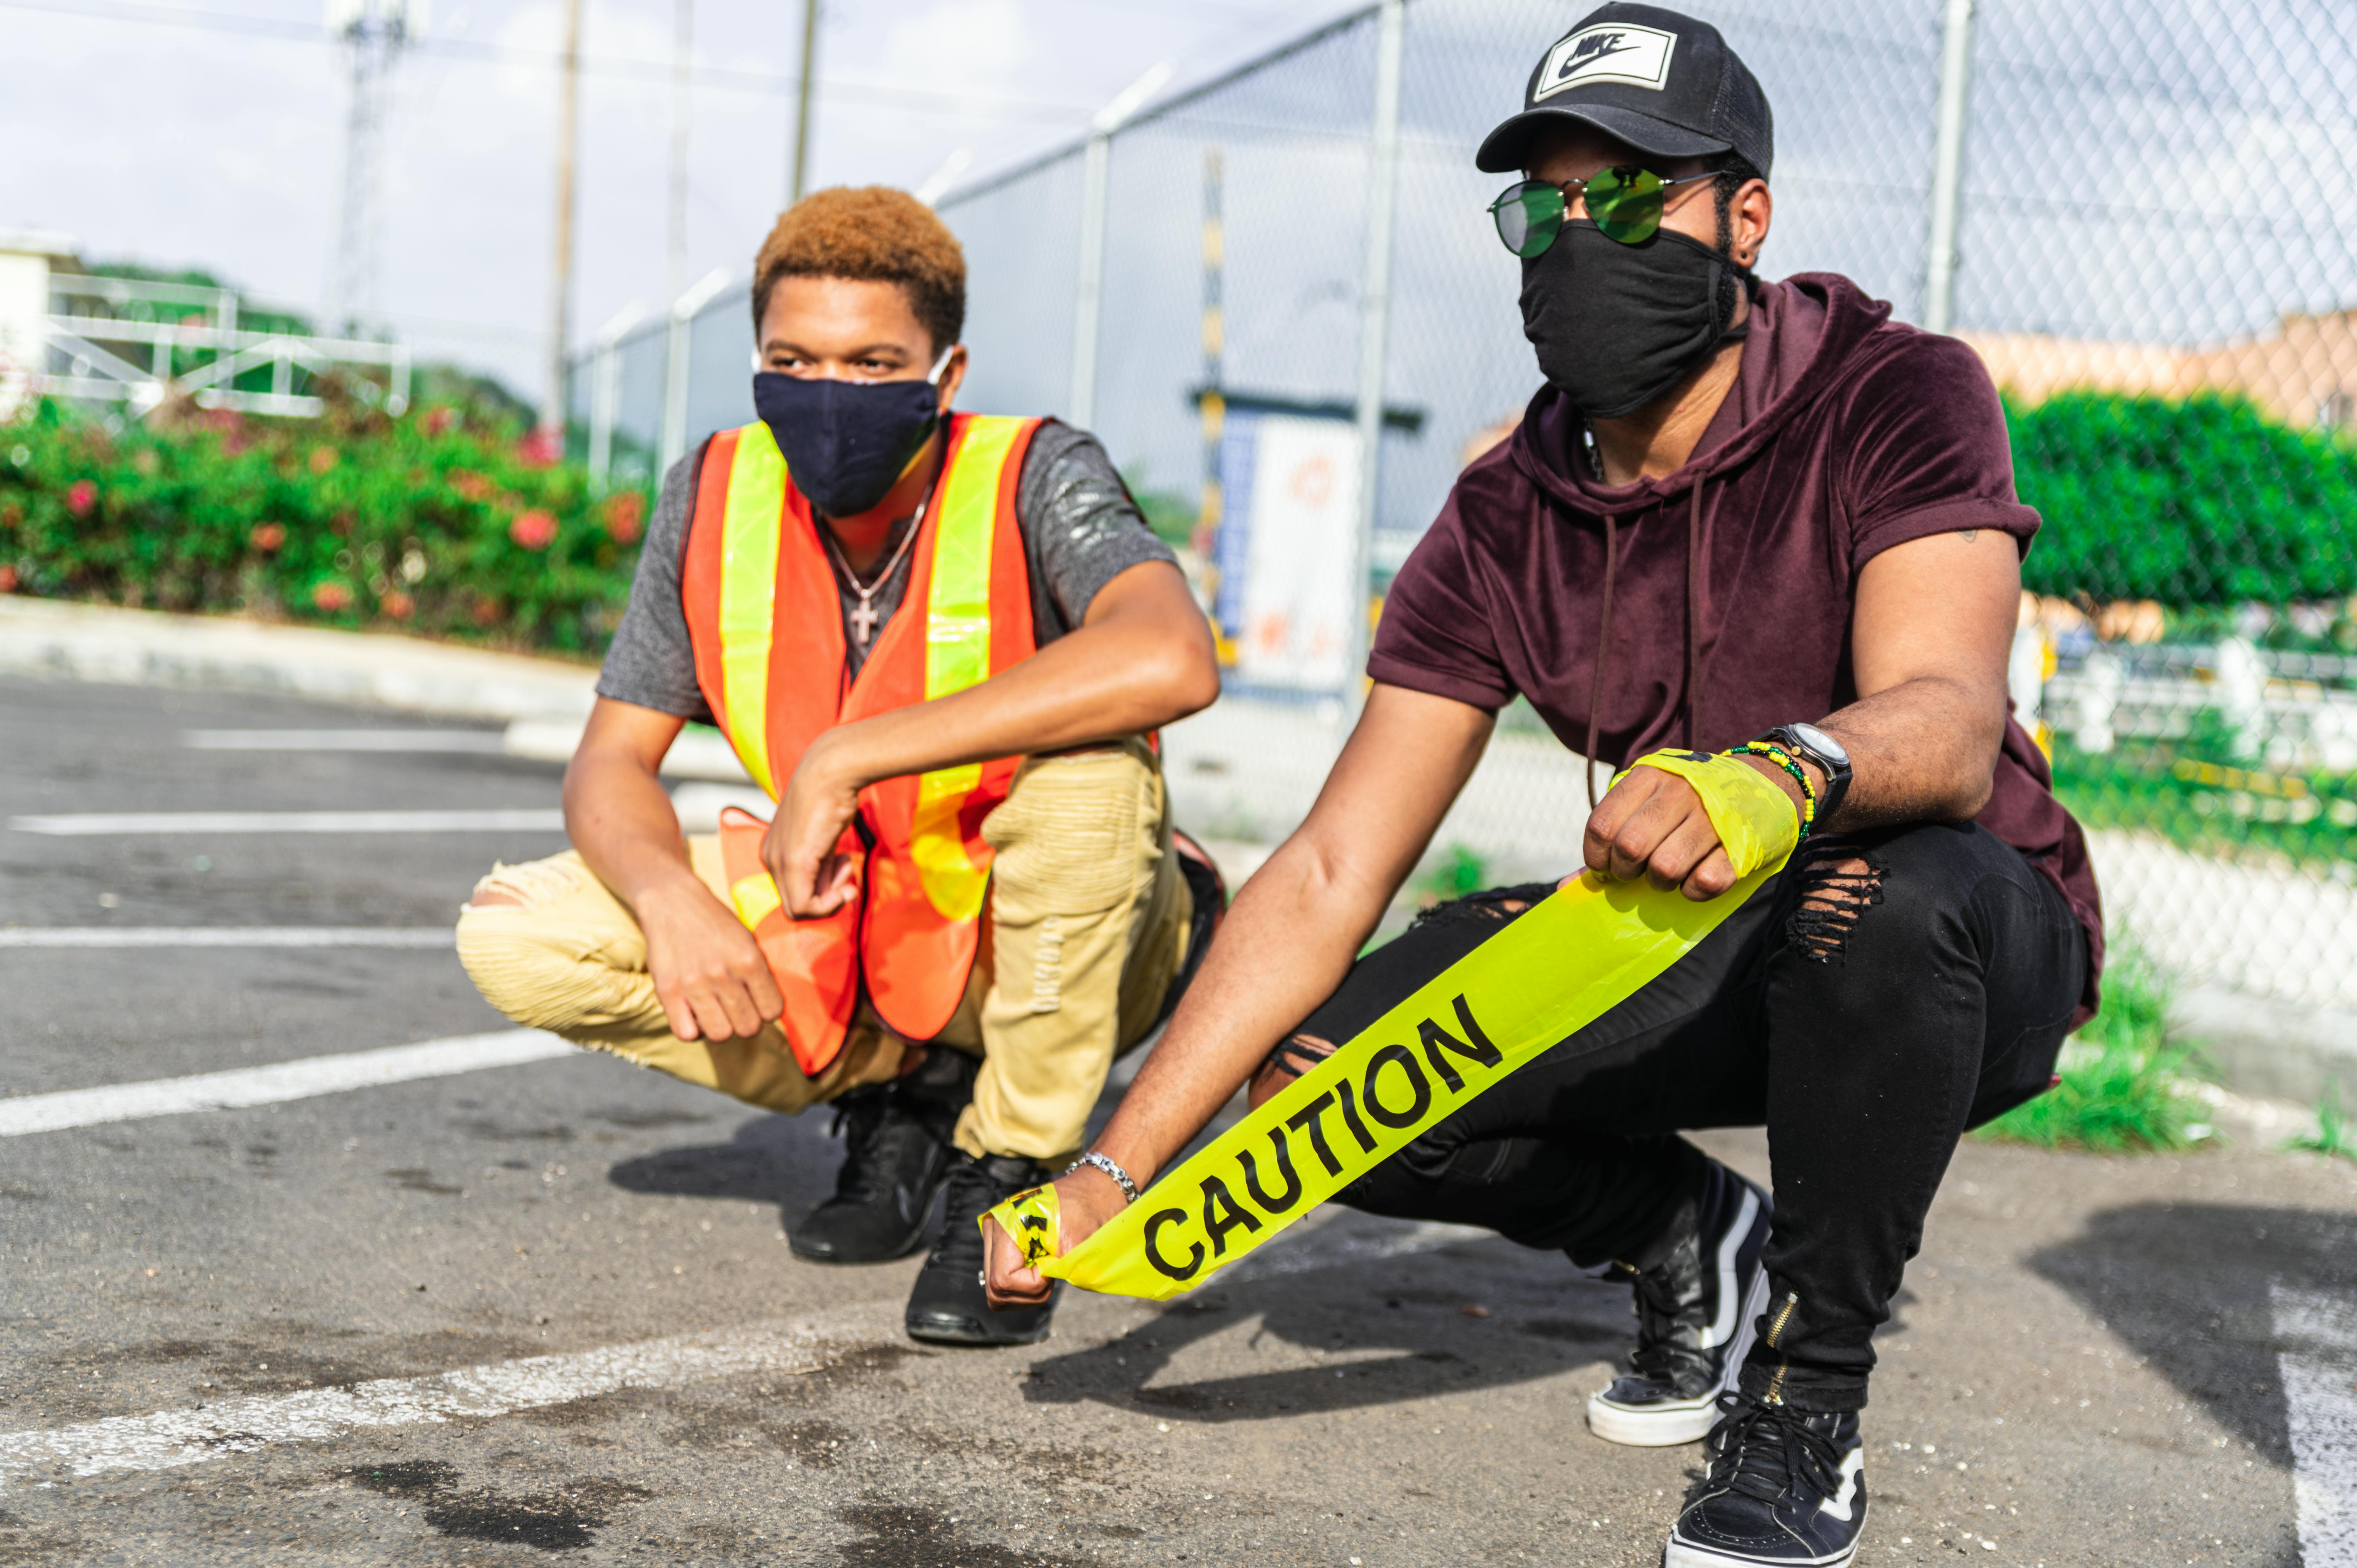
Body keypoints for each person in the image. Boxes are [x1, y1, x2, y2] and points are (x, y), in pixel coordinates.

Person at [986, 7, 2099, 1566]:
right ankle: (1689, 1240)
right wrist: (1115, 1165)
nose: (1582, 242)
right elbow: (1327, 870)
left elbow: (1947, 718)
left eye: (1635, 201)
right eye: (1546, 210)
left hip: (1956, 929)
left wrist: (1780, 770)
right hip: (1684, 938)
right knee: (1317, 1081)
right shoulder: (1507, 510)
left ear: (1746, 216)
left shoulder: (1895, 390)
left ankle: (1804, 1393)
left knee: (1883, 888)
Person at [458, 186, 1226, 1349]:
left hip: (1069, 942)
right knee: (519, 934)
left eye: (874, 365)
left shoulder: (1033, 475)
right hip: (867, 926)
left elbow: (1170, 654)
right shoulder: (714, 492)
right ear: (759, 362)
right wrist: (670, 903)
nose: (830, 397)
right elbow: (612, 759)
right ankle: (900, 1090)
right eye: (794, 361)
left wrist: (845, 759)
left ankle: (1010, 1174)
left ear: (946, 374)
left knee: (1094, 779)